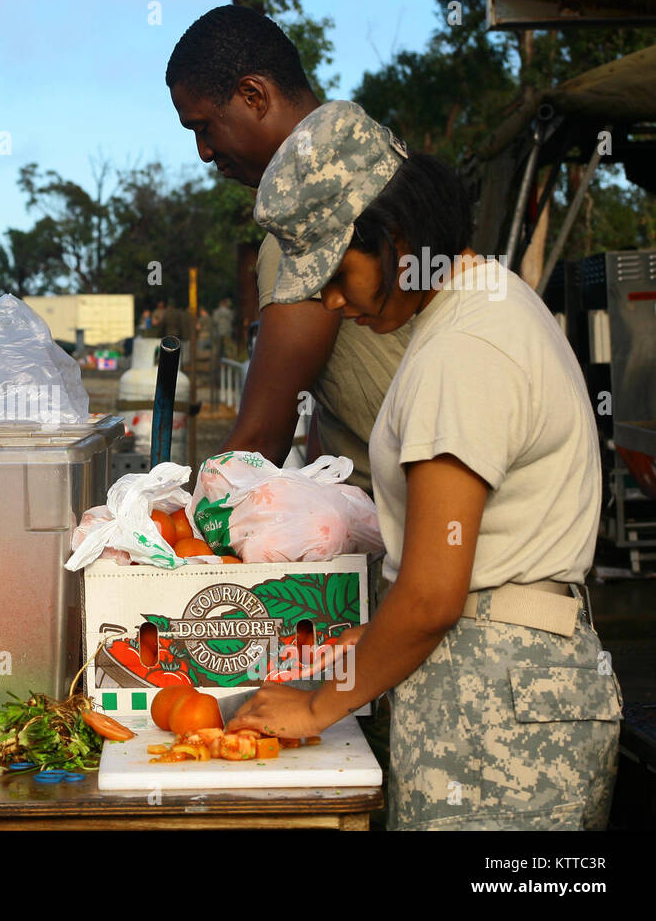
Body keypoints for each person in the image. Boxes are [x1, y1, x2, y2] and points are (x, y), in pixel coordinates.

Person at [229, 101, 621, 830]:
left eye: (340, 275)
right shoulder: (485, 305)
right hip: (503, 678)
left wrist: (317, 706)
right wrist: (359, 648)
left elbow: (436, 595)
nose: (336, 303)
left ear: (395, 237)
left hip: (496, 701)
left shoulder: (462, 350)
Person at [167, 5, 412, 494]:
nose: (204, 153)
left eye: (203, 128)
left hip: (404, 529)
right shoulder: (390, 171)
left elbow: (258, 443)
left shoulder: (302, 235)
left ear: (254, 95)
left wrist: (169, 534)